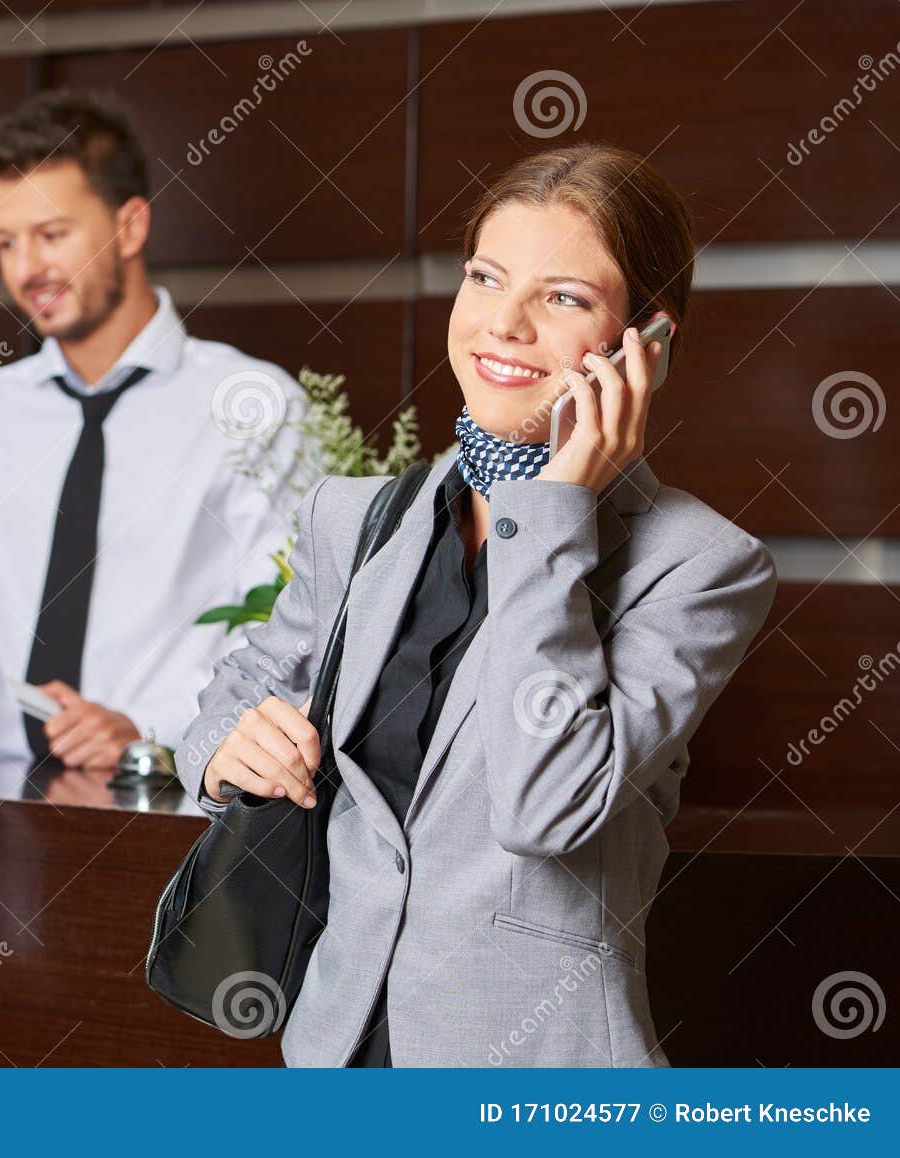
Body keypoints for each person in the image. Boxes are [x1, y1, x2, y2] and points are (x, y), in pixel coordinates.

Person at [178, 143, 778, 1067]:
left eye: (564, 298)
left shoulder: (700, 567)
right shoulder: (363, 518)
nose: (504, 324)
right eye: (485, 278)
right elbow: (241, 687)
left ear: (646, 346)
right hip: (333, 1050)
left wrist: (557, 509)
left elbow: (545, 809)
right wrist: (223, 746)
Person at [0, 89, 304, 771]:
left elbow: (286, 628)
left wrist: (149, 730)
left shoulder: (253, 404)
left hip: (164, 795)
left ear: (130, 228)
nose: (26, 270)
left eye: (52, 235)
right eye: (6, 242)